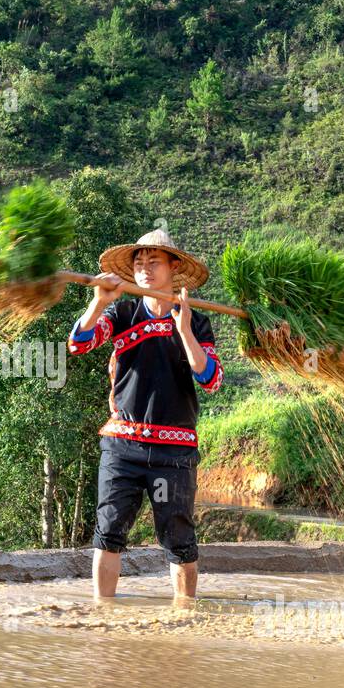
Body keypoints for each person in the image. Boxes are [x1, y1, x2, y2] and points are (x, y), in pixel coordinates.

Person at [67, 229, 223, 604]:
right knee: (109, 530)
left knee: (179, 539)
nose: (145, 269)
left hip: (173, 453)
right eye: (139, 263)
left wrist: (183, 330)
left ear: (174, 267)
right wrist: (97, 302)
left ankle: (184, 616)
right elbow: (79, 342)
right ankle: (103, 612)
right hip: (123, 446)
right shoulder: (122, 312)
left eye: (154, 261)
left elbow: (211, 378)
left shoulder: (197, 322)